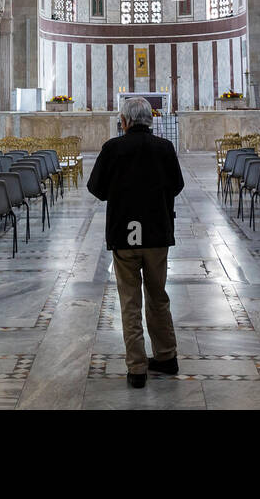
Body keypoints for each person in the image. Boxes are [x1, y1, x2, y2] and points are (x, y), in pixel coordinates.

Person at [86, 95, 185, 388]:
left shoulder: (113, 148)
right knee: (159, 297)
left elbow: (97, 189)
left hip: (124, 236)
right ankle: (167, 356)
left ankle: (137, 368)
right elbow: (177, 186)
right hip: (157, 234)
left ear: (125, 121)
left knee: (130, 301)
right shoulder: (165, 148)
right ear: (151, 120)